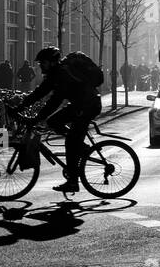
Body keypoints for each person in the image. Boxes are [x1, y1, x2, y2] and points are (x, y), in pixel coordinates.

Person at [17, 47, 103, 193]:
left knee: (70, 142)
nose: (40, 66)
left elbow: (55, 101)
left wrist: (38, 118)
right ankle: (81, 147)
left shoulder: (63, 74)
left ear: (51, 62)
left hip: (88, 106)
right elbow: (40, 92)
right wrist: (20, 106)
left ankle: (73, 182)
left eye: (42, 63)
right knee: (53, 122)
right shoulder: (54, 74)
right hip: (79, 105)